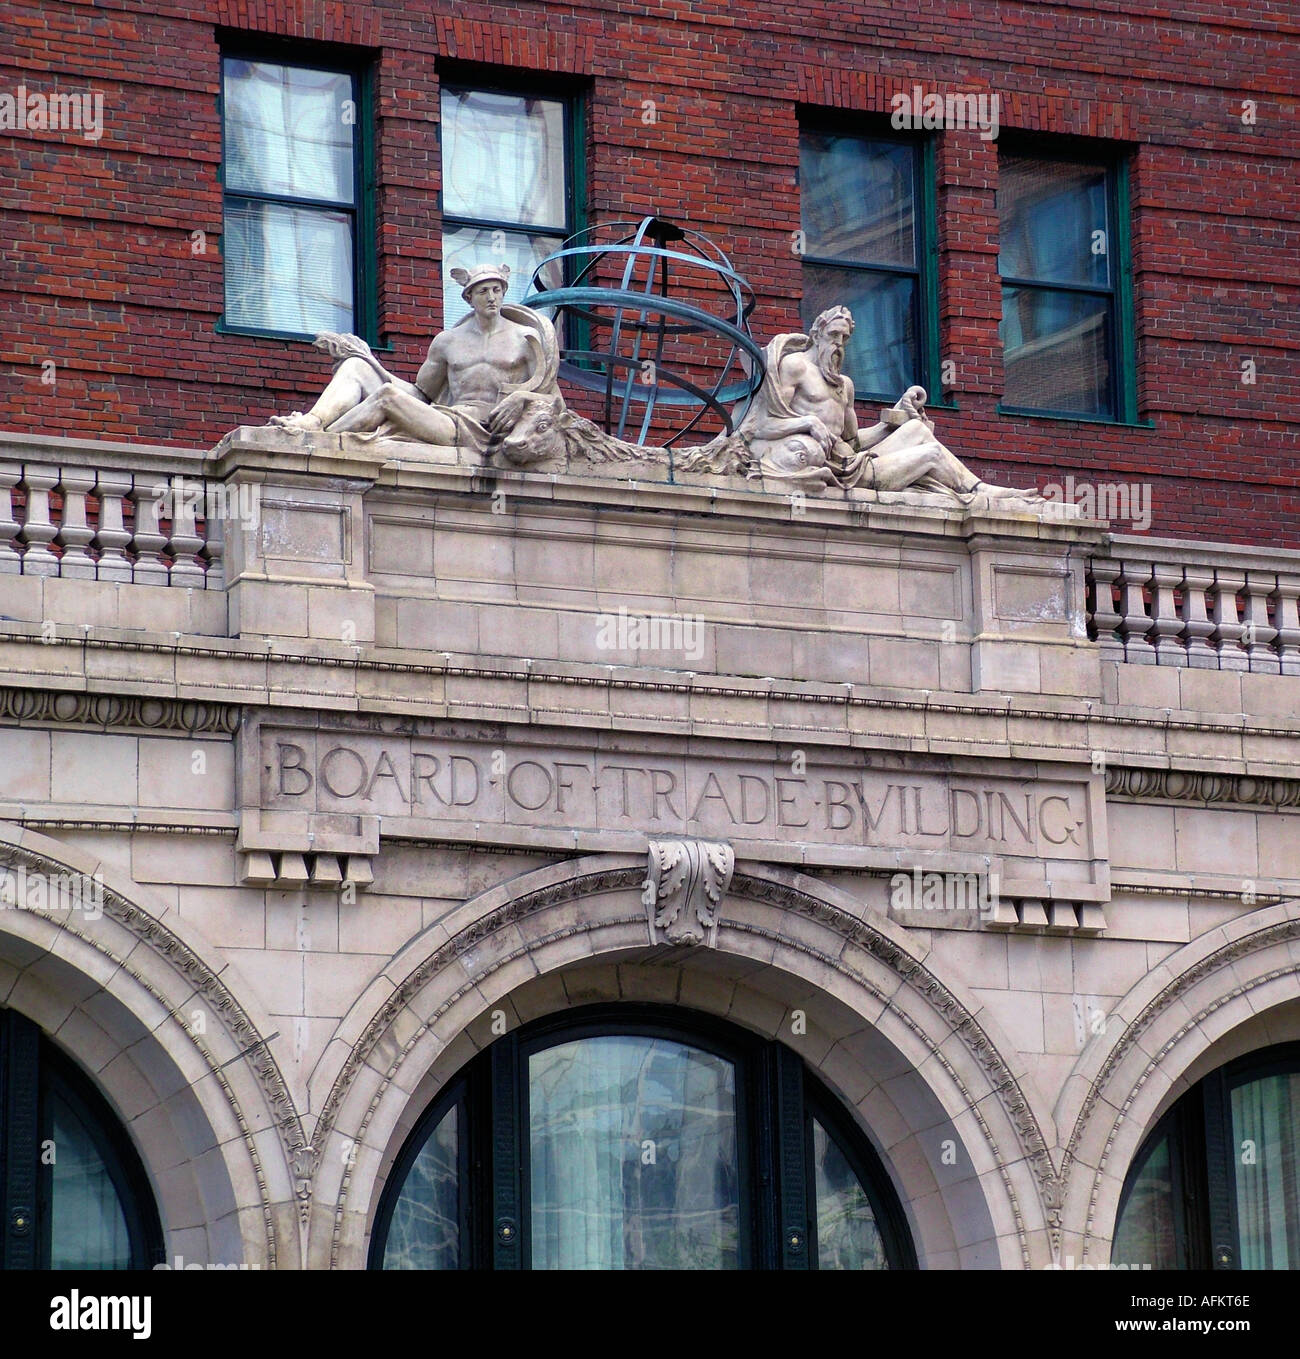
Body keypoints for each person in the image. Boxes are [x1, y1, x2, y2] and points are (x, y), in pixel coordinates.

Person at [738, 305, 1039, 501]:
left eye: (844, 338)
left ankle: (979, 488)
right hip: (838, 469)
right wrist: (807, 423)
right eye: (833, 335)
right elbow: (761, 425)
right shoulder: (795, 367)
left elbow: (854, 442)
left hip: (852, 462)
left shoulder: (844, 386)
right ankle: (981, 494)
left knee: (919, 432)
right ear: (816, 334)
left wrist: (894, 418)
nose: (838, 345)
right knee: (932, 453)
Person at [268, 264, 559, 453]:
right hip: (447, 416)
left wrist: (521, 397)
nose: (492, 297)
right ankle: (313, 423)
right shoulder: (448, 341)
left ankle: (319, 442)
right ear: (470, 298)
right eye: (483, 291)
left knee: (386, 397)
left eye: (497, 290)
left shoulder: (525, 338)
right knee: (356, 366)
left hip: (479, 431)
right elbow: (421, 395)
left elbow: (552, 401)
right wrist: (369, 361)